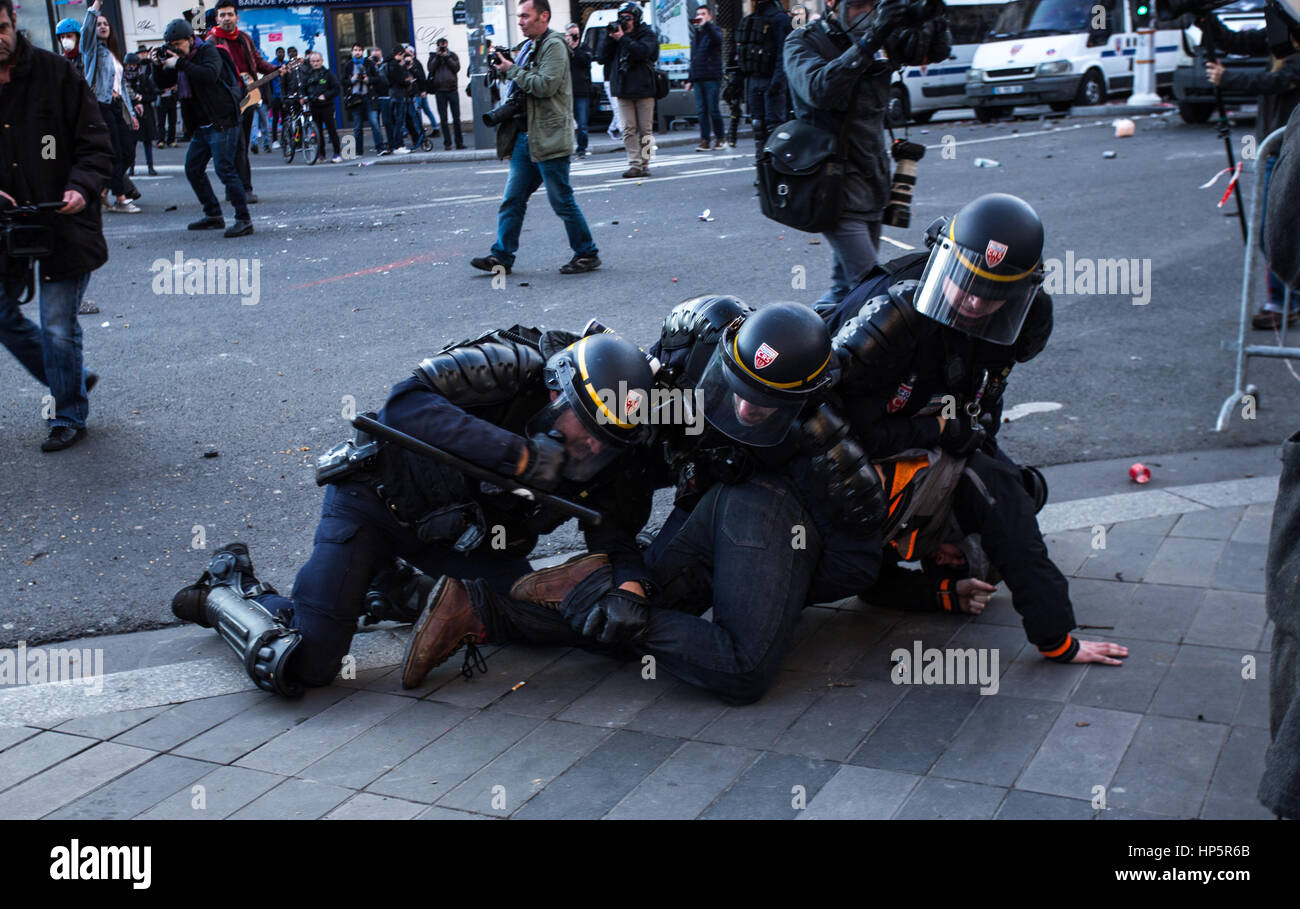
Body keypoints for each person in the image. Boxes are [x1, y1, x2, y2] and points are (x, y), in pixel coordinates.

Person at [400, 301, 888, 704]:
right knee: (624, 614)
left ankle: (515, 598)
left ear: (800, 404)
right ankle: (519, 597)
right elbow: (628, 432)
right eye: (736, 386)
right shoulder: (693, 350)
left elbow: (857, 566)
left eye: (761, 407)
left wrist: (777, 579)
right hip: (707, 513)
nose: (741, 407)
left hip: (768, 517)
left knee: (736, 670)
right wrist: (630, 581)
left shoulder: (822, 445)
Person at [171, 330, 658, 697]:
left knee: (533, 618)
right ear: (558, 395)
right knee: (306, 662)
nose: (594, 447)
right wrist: (522, 458)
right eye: (589, 430)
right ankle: (226, 588)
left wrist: (630, 588)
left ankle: (399, 589)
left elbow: (613, 530)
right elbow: (405, 403)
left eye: (608, 442)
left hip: (471, 544)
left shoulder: (614, 444)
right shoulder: (516, 361)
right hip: (375, 504)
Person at [827, 193, 1128, 667]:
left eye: (992, 293)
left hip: (915, 442)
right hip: (838, 463)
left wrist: (959, 433)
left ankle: (934, 574)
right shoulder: (888, 314)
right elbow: (842, 430)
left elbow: (983, 410)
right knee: (998, 495)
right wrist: (936, 432)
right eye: (968, 284)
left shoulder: (1012, 317)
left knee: (1019, 493)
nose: (974, 301)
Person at [785, 0, 948, 309]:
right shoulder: (804, 40)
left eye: (873, 5)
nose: (867, 12)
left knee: (844, 290)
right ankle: (808, 346)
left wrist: (932, 18)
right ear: (833, 3)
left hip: (872, 181)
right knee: (873, 290)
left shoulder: (882, 35)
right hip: (832, 186)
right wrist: (873, 36)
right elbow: (820, 89)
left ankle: (811, 342)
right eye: (858, 5)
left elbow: (928, 52)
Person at [0, 0, 111, 452]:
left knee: (58, 325)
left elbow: (96, 144)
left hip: (63, 222)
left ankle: (68, 412)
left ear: (13, 23)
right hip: (6, 227)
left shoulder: (56, 74)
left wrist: (81, 188)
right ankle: (67, 373)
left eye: (1, 27)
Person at [471, 0, 601, 276]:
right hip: (526, 136)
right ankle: (501, 256)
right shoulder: (530, 47)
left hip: (550, 136)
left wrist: (511, 69)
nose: (520, 21)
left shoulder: (554, 45)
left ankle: (587, 253)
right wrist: (508, 68)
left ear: (543, 16)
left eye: (525, 16)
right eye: (518, 16)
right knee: (512, 199)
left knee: (561, 200)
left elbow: (545, 85)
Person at [1202, 0, 1300, 329]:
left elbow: (1282, 79)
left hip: (1290, 149)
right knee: (1273, 231)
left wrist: (1227, 77)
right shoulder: (1282, 31)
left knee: (1281, 230)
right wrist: (1207, 20)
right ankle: (1286, 299)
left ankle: (1284, 301)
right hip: (1275, 146)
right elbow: (1240, 42)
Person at [152, 18, 253, 238]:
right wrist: (157, 65)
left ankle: (244, 219)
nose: (175, 49)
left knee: (225, 169)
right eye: (172, 45)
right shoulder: (180, 60)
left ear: (190, 39)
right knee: (193, 169)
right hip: (202, 126)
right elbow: (160, 84)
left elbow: (209, 75)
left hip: (223, 120)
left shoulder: (208, 51)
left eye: (178, 44)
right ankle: (213, 214)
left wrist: (179, 63)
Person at [206, 0, 279, 204]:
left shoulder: (245, 38)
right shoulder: (211, 42)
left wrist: (276, 70)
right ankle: (242, 189)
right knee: (234, 147)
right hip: (226, 102)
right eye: (222, 15)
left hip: (247, 99)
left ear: (237, 17)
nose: (226, 18)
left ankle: (240, 188)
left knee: (242, 145)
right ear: (217, 18)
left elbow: (257, 62)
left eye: (230, 14)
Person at [80, 0, 140, 213]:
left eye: (106, 24)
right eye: (99, 24)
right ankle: (121, 198)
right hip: (100, 105)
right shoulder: (91, 50)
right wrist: (96, 5)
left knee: (128, 153)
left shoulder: (114, 54)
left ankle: (104, 188)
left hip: (116, 106)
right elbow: (86, 29)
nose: (103, 26)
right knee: (114, 151)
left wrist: (131, 113)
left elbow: (122, 87)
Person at [598, 3, 659, 178]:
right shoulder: (615, 36)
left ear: (637, 19)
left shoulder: (646, 34)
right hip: (623, 88)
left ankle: (645, 163)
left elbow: (643, 52)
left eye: (628, 18)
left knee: (645, 130)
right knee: (628, 128)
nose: (625, 21)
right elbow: (601, 57)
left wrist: (623, 38)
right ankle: (634, 164)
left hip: (644, 88)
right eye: (622, 17)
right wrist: (610, 37)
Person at [736, 0, 792, 163]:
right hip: (754, 79)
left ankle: (777, 167)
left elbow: (784, 52)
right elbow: (742, 52)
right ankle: (762, 169)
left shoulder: (779, 18)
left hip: (771, 79)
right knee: (758, 125)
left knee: (774, 127)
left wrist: (778, 80)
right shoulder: (751, 19)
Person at [686, 5, 725, 151]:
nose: (700, 16)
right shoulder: (697, 34)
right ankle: (705, 140)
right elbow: (694, 57)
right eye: (698, 14)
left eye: (703, 14)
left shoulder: (714, 30)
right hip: (698, 78)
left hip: (711, 77)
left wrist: (706, 25)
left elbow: (717, 39)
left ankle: (720, 138)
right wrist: (690, 78)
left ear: (709, 16)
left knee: (713, 109)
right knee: (701, 111)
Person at [343, 43, 385, 157]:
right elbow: (343, 82)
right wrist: (352, 80)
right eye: (355, 50)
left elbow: (378, 79)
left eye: (360, 50)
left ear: (363, 51)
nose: (357, 52)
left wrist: (368, 79)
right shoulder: (348, 65)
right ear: (352, 52)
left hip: (369, 97)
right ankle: (358, 151)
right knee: (357, 126)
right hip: (356, 99)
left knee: (374, 123)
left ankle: (380, 148)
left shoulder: (369, 63)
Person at [302, 50, 341, 163]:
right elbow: (303, 88)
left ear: (322, 61)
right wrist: (304, 97)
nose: (315, 63)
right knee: (317, 132)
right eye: (313, 61)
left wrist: (326, 95)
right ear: (310, 62)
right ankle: (321, 154)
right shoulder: (308, 75)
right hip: (314, 106)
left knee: (331, 130)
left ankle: (337, 153)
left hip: (327, 106)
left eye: (318, 61)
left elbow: (337, 88)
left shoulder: (328, 74)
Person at [124, 52, 159, 176]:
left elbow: (155, 94)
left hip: (145, 115)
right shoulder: (123, 80)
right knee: (130, 144)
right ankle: (131, 167)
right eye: (129, 65)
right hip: (130, 114)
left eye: (134, 65)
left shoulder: (144, 78)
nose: (131, 68)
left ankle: (150, 166)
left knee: (147, 142)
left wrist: (142, 97)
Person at [428, 37, 465, 150]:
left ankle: (459, 143)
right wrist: (438, 57)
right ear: (437, 46)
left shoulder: (452, 55)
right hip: (440, 91)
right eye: (440, 45)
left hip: (452, 90)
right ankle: (447, 143)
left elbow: (456, 68)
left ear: (447, 45)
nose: (443, 47)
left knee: (456, 118)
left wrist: (446, 57)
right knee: (443, 118)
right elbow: (430, 68)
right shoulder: (433, 56)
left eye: (444, 45)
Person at [565, 23, 592, 157]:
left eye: (576, 35)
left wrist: (575, 47)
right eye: (571, 34)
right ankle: (566, 148)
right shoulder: (564, 49)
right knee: (566, 123)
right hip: (566, 92)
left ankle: (582, 148)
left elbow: (585, 62)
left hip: (581, 91)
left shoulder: (583, 48)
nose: (574, 37)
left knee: (582, 124)